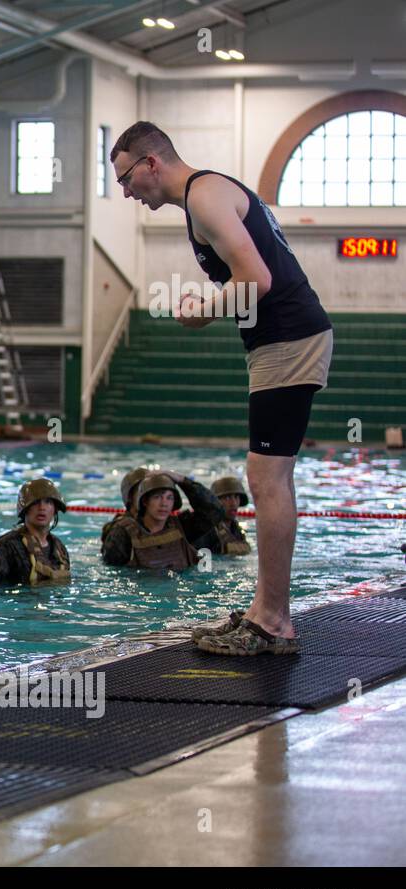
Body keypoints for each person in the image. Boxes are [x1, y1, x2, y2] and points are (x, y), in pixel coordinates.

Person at [112, 121, 333, 653]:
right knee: (271, 477)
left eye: (125, 178)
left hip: (288, 336)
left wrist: (203, 313)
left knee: (267, 477)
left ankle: (274, 622)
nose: (125, 191)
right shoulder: (207, 195)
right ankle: (266, 609)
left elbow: (258, 281)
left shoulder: (206, 195)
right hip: (280, 338)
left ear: (151, 164)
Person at [101, 471, 229, 572]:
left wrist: (182, 480)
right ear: (145, 500)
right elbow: (111, 573)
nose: (164, 504)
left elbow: (215, 511)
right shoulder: (122, 533)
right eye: (157, 497)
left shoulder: (182, 527)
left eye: (169, 498)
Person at [0, 479, 71, 586]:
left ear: (55, 509)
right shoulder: (6, 548)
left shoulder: (60, 549)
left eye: (48, 502)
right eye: (35, 502)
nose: (42, 508)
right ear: (25, 509)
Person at [209, 475, 252, 556]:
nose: (233, 503)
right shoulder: (209, 530)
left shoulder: (236, 529)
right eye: (227, 498)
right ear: (215, 501)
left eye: (236, 497)